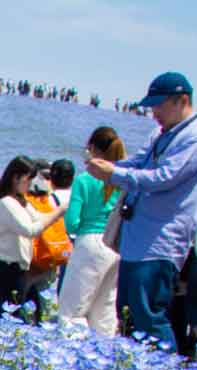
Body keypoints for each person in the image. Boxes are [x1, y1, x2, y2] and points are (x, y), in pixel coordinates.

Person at [85, 72, 197, 348]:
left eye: (159, 105)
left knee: (149, 315)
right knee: (126, 313)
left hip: (161, 240)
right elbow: (139, 162)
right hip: (136, 238)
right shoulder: (161, 132)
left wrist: (115, 175)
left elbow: (164, 178)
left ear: (182, 101)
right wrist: (108, 166)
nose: (154, 112)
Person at [57, 127, 126, 334]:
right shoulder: (121, 179)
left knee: (72, 310)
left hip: (90, 241)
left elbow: (71, 222)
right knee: (104, 311)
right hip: (115, 243)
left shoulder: (84, 179)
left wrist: (74, 232)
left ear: (93, 149)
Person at [0, 156, 68, 318]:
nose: (30, 185)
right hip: (7, 266)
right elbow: (30, 230)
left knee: (16, 311)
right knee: (10, 312)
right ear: (16, 177)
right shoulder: (7, 202)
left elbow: (38, 217)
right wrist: (58, 212)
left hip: (18, 265)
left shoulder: (21, 200)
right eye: (27, 180)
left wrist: (55, 212)